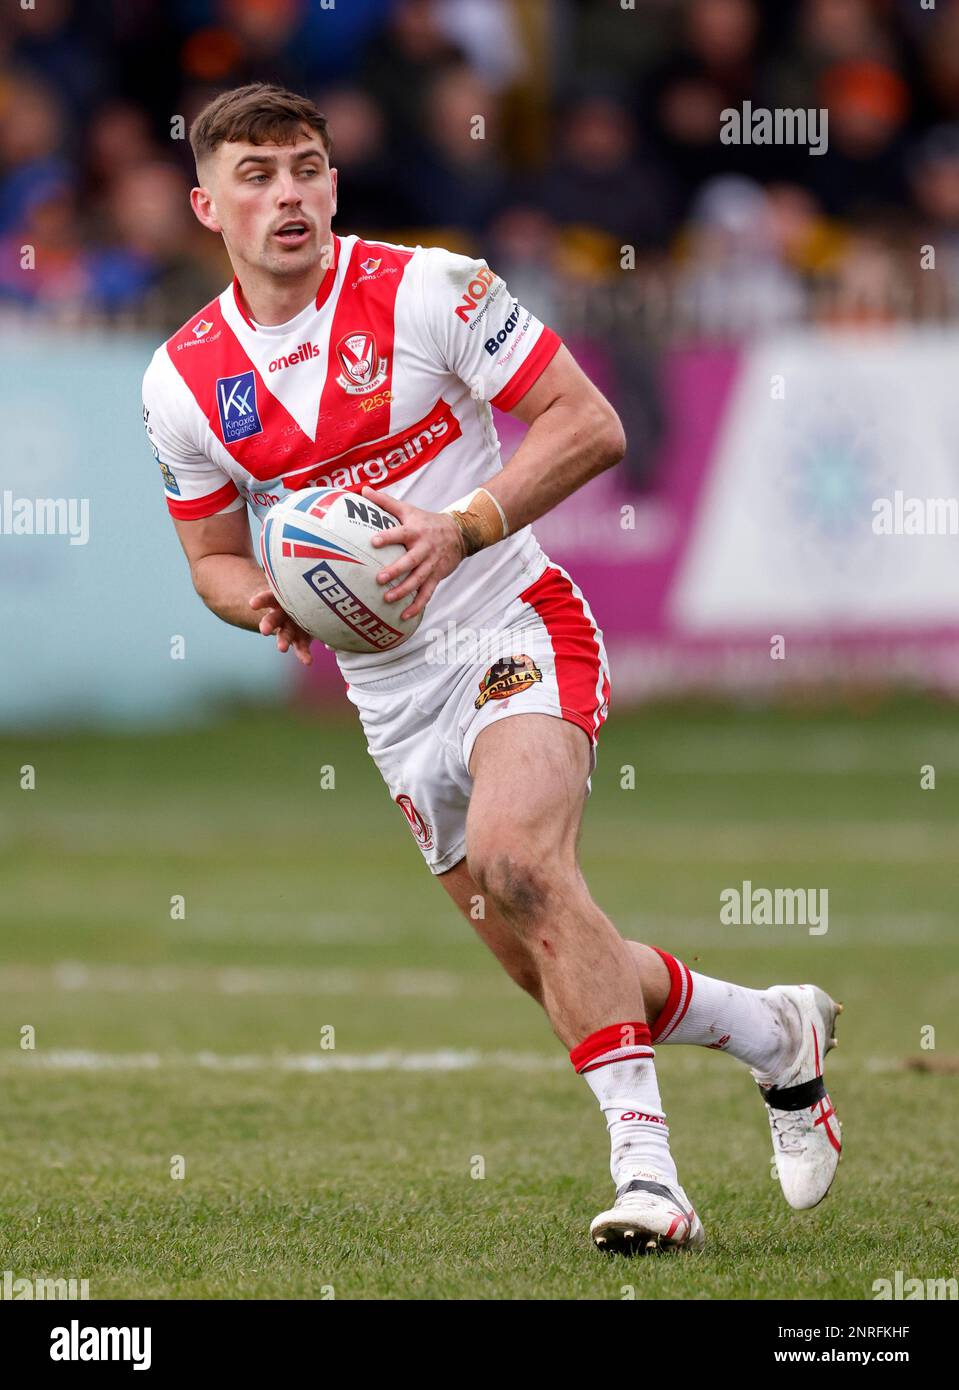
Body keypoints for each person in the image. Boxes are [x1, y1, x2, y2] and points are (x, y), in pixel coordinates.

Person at [141, 83, 842, 1254]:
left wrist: (459, 524)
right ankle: (775, 1033)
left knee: (524, 863)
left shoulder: (429, 288)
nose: (289, 194)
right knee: (552, 955)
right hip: (391, 696)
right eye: (256, 176)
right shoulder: (180, 380)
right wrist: (258, 599)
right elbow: (210, 556)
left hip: (510, 622)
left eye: (306, 166)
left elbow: (588, 422)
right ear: (206, 204)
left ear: (331, 179)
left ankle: (650, 1182)